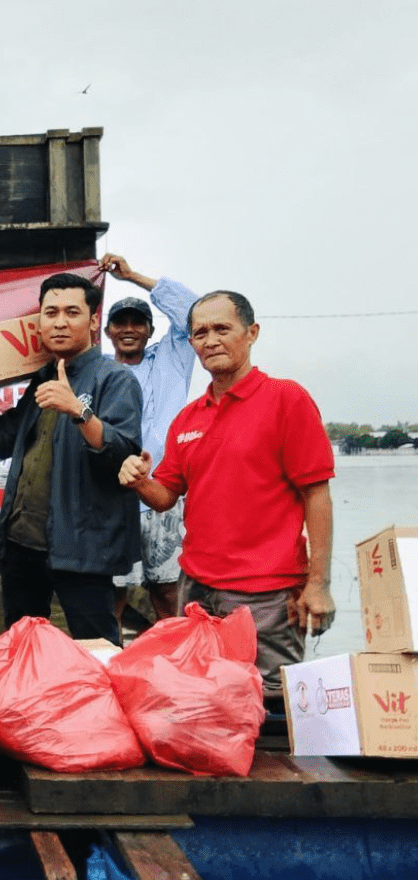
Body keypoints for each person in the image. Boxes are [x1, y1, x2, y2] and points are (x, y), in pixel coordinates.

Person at [118, 290, 335, 702]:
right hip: (196, 590)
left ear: (251, 333)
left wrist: (318, 585)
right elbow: (165, 497)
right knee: (203, 704)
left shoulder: (286, 399)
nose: (211, 340)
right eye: (200, 333)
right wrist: (139, 481)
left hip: (267, 594)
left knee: (272, 705)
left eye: (222, 329)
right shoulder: (188, 418)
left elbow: (317, 495)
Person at [0, 272, 142, 646]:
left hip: (81, 547)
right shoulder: (42, 379)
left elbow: (122, 455)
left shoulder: (115, 379)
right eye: (50, 312)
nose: (60, 322)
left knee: (97, 649)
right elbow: (2, 441)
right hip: (21, 546)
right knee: (21, 649)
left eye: (72, 312)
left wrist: (78, 410)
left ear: (93, 321)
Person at [99, 253, 199, 623]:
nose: (129, 329)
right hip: (114, 499)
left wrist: (132, 276)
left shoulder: (172, 358)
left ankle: (176, 654)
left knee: (168, 591)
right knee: (113, 594)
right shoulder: (98, 373)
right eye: (120, 322)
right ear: (108, 332)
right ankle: (111, 654)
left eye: (137, 322)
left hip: (165, 495)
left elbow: (193, 309)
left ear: (150, 330)